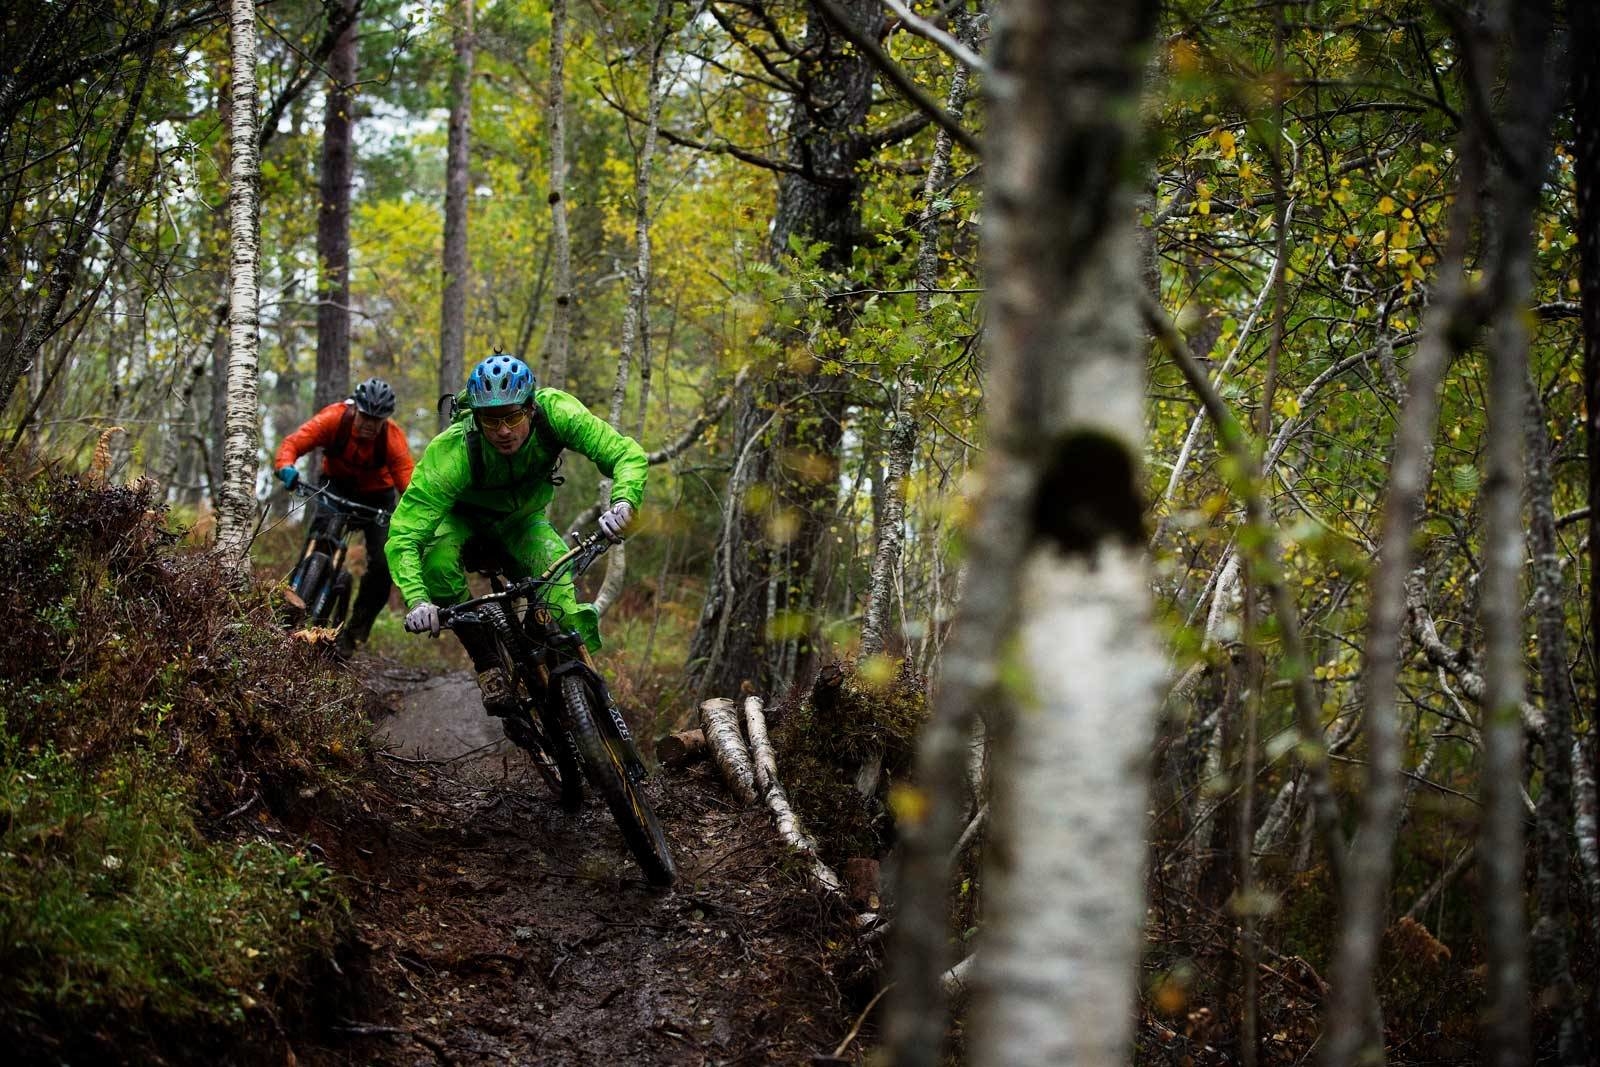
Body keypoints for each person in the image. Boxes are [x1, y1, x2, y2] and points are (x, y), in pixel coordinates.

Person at [385, 353, 646, 716]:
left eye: (513, 416)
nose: (503, 430)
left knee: (559, 590)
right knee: (438, 561)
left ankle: (587, 696)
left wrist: (624, 501)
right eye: (491, 420)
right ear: (476, 418)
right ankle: (487, 663)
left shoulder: (556, 412)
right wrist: (417, 600)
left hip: (521, 521)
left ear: (531, 408)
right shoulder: (455, 449)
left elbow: (624, 453)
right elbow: (405, 533)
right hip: (462, 522)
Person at [275, 377, 415, 656]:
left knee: (384, 564)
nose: (368, 424)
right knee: (319, 535)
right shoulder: (333, 419)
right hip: (335, 487)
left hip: (377, 498)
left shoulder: (392, 439)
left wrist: (413, 516)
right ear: (355, 408)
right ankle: (291, 600)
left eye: (376, 420)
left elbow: (410, 486)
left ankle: (353, 634)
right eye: (364, 416)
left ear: (385, 420)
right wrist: (286, 467)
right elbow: (293, 443)